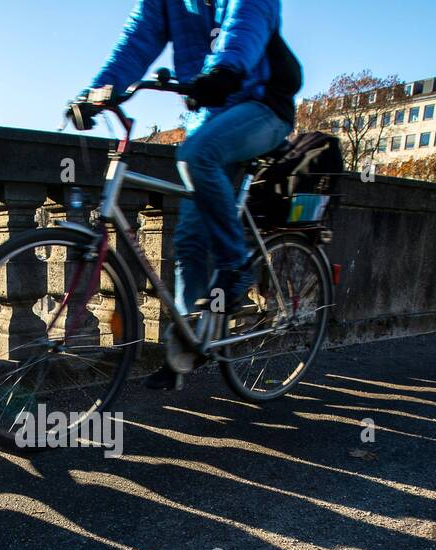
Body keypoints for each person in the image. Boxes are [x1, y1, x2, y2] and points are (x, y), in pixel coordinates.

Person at [70, 0, 301, 389]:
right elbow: (137, 40)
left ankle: (235, 265)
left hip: (260, 106)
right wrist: (98, 91)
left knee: (195, 156)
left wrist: (225, 70)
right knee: (190, 240)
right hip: (208, 114)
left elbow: (243, 25)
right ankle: (184, 350)